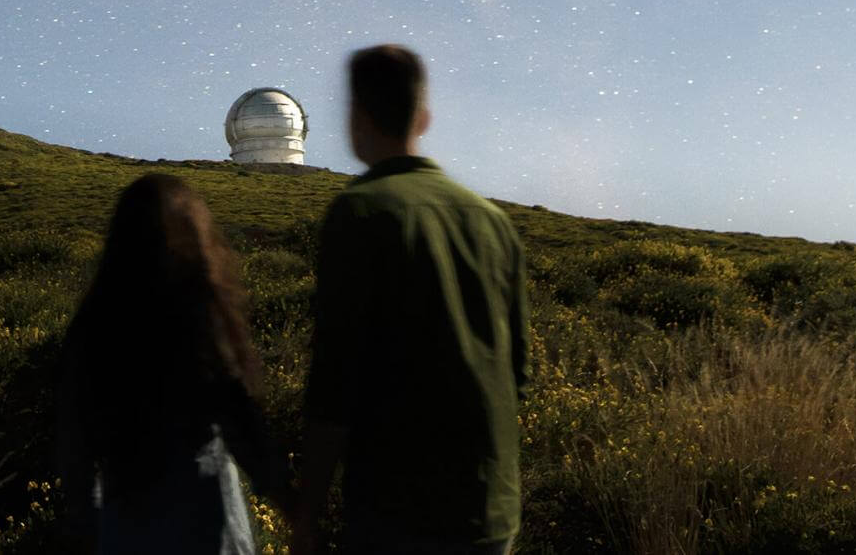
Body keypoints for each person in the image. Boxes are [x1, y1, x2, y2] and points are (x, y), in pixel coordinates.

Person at [291, 45, 530, 555]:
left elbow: (334, 381)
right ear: (425, 116)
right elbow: (517, 372)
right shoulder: (494, 222)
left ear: (355, 115)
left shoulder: (359, 212)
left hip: (399, 515)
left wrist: (307, 511)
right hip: (491, 510)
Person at [57, 173, 293, 554]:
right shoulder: (199, 317)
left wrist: (83, 520)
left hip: (128, 517)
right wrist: (292, 505)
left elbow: (75, 440)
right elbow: (241, 418)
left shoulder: (94, 326)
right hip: (206, 518)